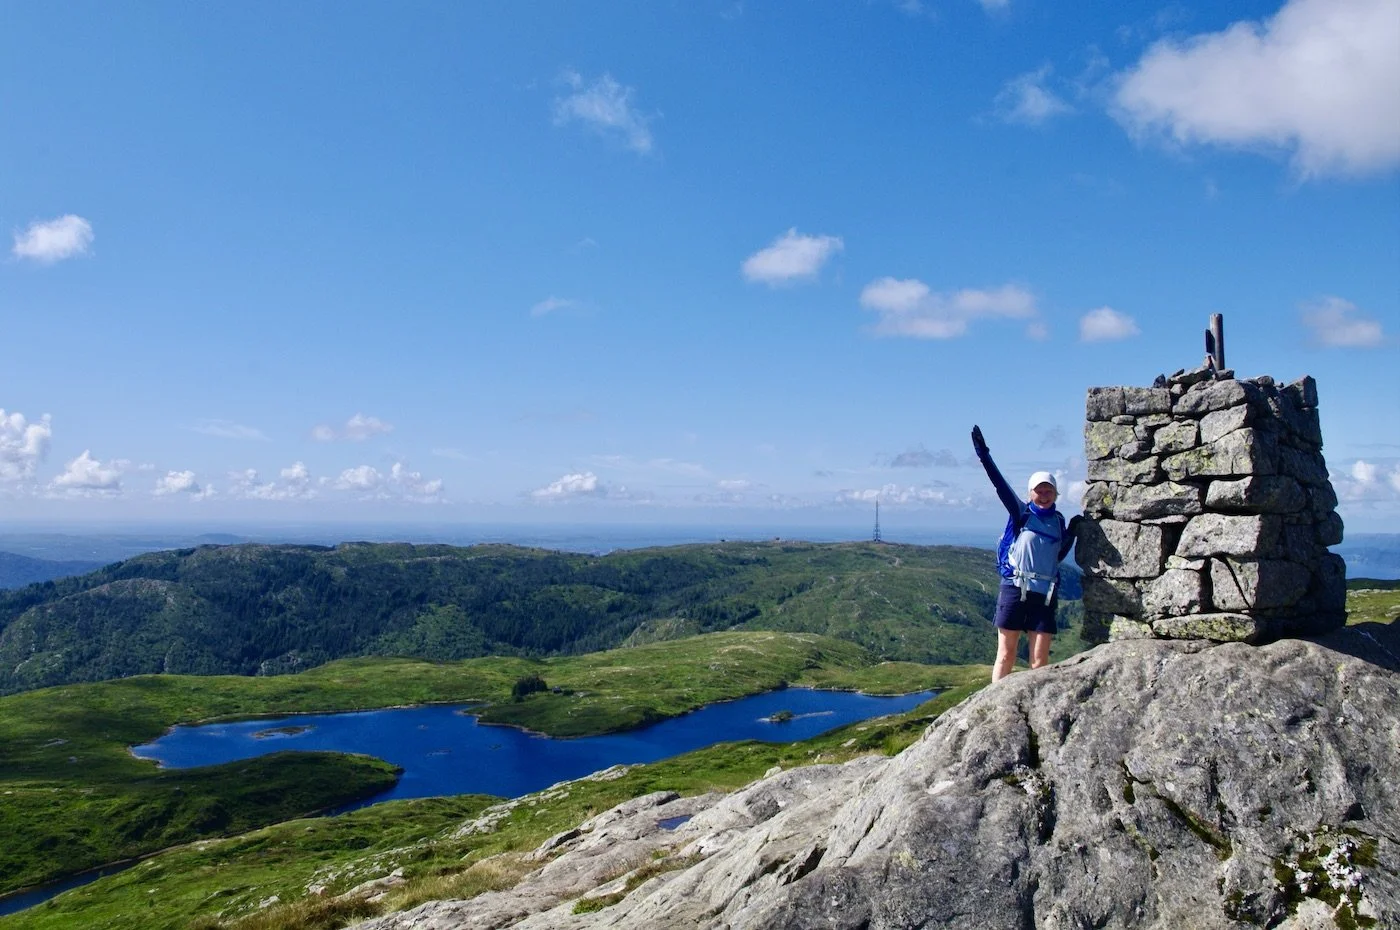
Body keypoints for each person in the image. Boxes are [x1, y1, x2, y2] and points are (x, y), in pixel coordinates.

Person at [971, 425, 1081, 683]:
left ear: (1056, 493)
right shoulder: (1022, 513)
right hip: (1014, 588)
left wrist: (1071, 534)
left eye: (1048, 491)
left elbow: (1055, 555)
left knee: (1040, 662)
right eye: (1039, 491)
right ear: (1030, 493)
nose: (1043, 495)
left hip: (1044, 594)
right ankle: (996, 708)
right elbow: (1000, 485)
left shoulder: (1058, 520)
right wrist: (983, 454)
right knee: (1006, 655)